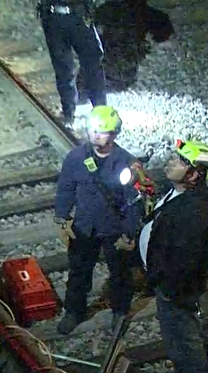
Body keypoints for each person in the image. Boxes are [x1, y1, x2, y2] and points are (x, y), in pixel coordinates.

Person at [131, 139, 208, 373]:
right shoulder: (179, 193)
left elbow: (184, 261)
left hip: (174, 289)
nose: (171, 162)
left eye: (181, 161)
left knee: (183, 335)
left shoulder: (193, 213)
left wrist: (166, 287)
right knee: (175, 333)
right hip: (165, 282)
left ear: (194, 175)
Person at [53, 105, 141, 335]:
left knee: (120, 273)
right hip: (84, 226)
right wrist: (62, 218)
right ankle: (74, 311)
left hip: (114, 228)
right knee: (79, 270)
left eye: (102, 131)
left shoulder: (127, 163)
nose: (95, 135)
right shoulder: (76, 157)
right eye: (93, 129)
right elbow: (66, 188)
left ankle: (120, 311)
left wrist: (129, 232)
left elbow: (134, 201)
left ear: (114, 134)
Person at [37, 0, 107, 125]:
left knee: (92, 63)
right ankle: (68, 114)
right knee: (63, 69)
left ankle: (100, 111)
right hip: (54, 17)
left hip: (78, 16)